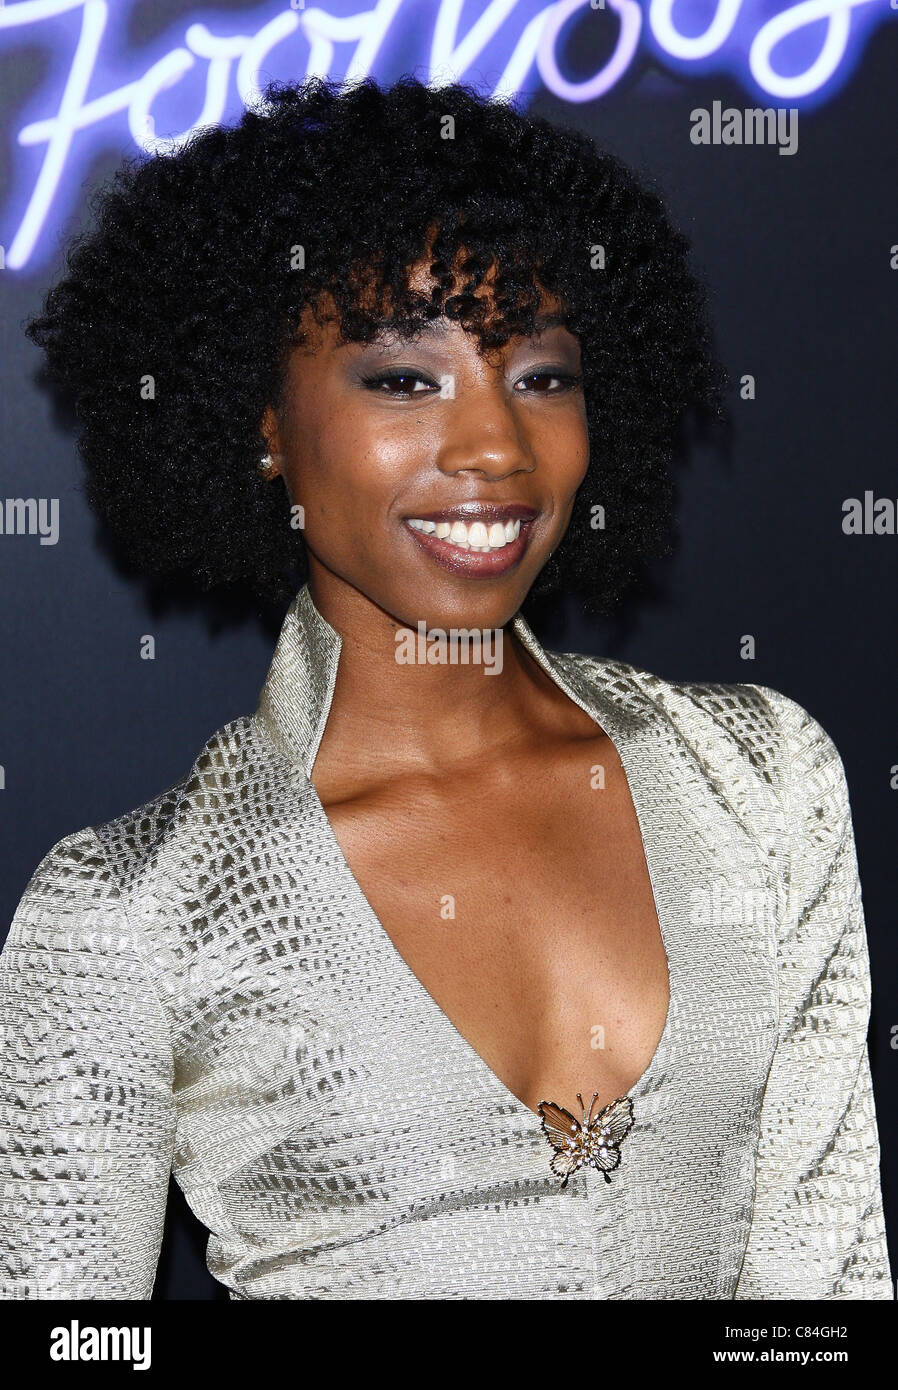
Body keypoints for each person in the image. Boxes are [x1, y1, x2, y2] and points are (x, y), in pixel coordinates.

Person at [0, 76, 890, 1300]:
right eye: (403, 379)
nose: (495, 450)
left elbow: (825, 1300)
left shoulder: (761, 780)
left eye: (542, 375)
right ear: (260, 419)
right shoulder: (132, 915)